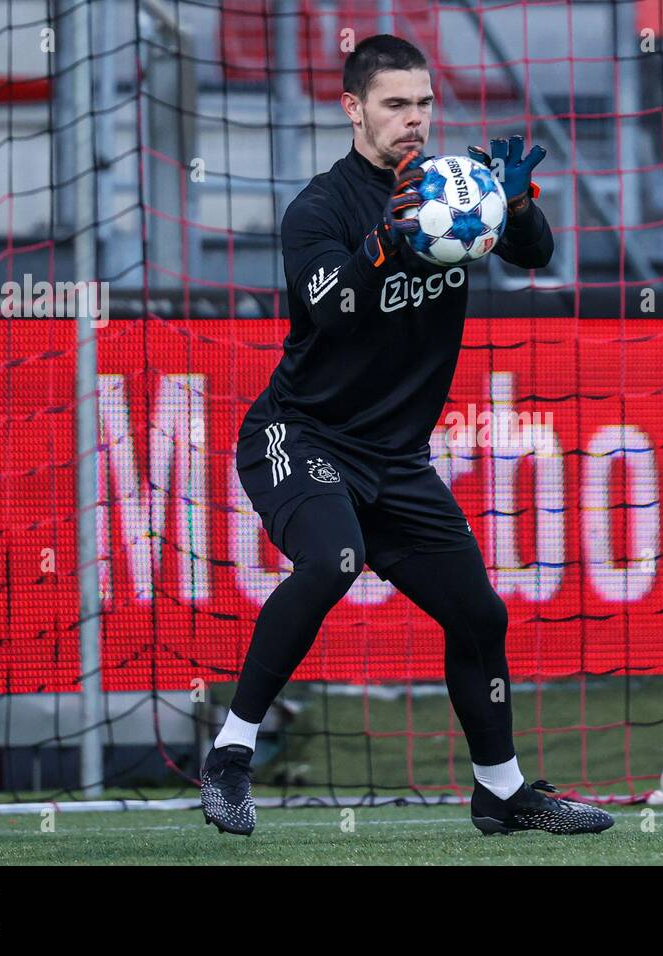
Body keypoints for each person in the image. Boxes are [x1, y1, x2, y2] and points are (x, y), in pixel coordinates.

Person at [200, 33, 613, 837]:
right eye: (395, 105)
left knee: (479, 616)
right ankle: (231, 755)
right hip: (302, 436)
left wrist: (519, 207)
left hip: (396, 460)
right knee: (334, 560)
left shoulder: (456, 188)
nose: (414, 119)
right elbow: (330, 307)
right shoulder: (320, 208)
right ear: (352, 108)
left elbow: (535, 256)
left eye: (423, 103)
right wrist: (383, 246)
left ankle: (501, 791)